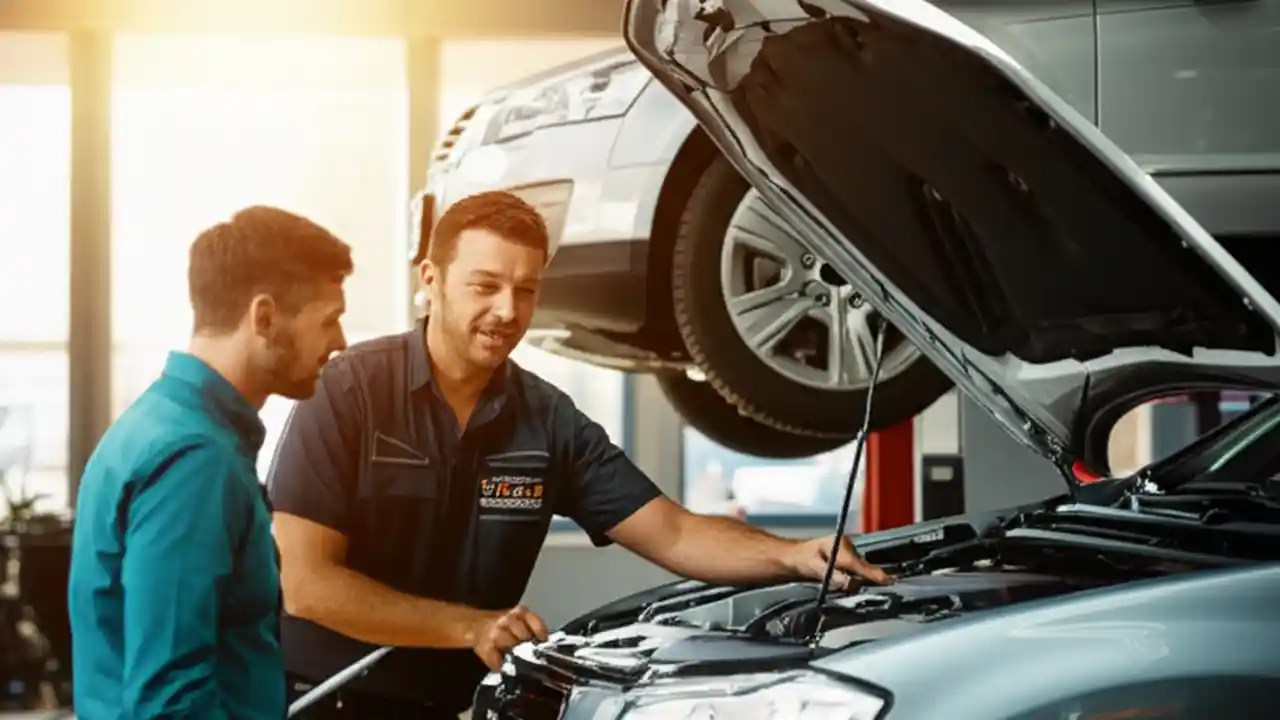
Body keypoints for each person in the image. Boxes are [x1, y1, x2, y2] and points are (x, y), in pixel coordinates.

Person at [267, 190, 892, 718]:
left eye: (526, 290)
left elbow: (672, 531)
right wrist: (470, 626)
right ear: (430, 280)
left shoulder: (547, 420)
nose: (508, 311)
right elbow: (306, 584)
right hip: (320, 703)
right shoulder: (347, 391)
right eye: (485, 286)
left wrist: (792, 556)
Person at [67, 206, 353, 719]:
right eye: (328, 321)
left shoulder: (161, 424)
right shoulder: (195, 461)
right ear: (263, 318)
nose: (340, 342)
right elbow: (170, 703)